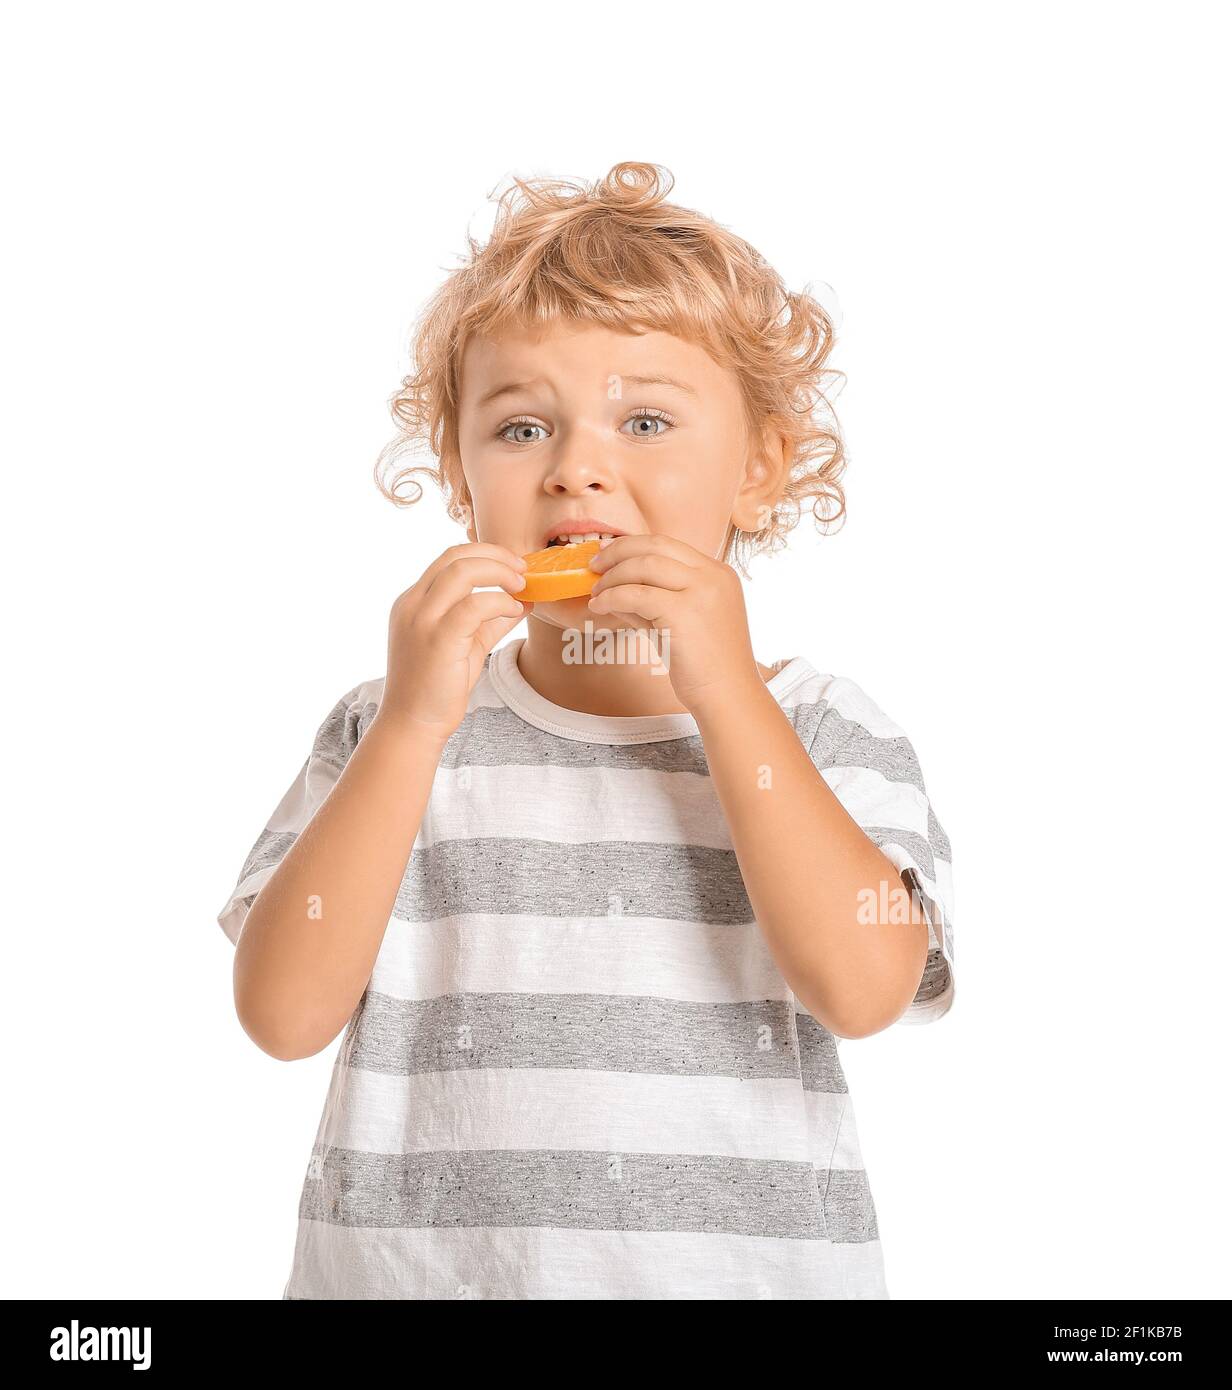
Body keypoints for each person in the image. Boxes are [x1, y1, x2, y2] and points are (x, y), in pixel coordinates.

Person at [216, 160, 956, 1299]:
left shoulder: (819, 725)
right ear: (460, 481)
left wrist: (728, 700)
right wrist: (415, 721)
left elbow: (864, 989)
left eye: (645, 419)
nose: (576, 471)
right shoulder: (386, 720)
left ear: (758, 467)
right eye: (518, 429)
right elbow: (280, 1014)